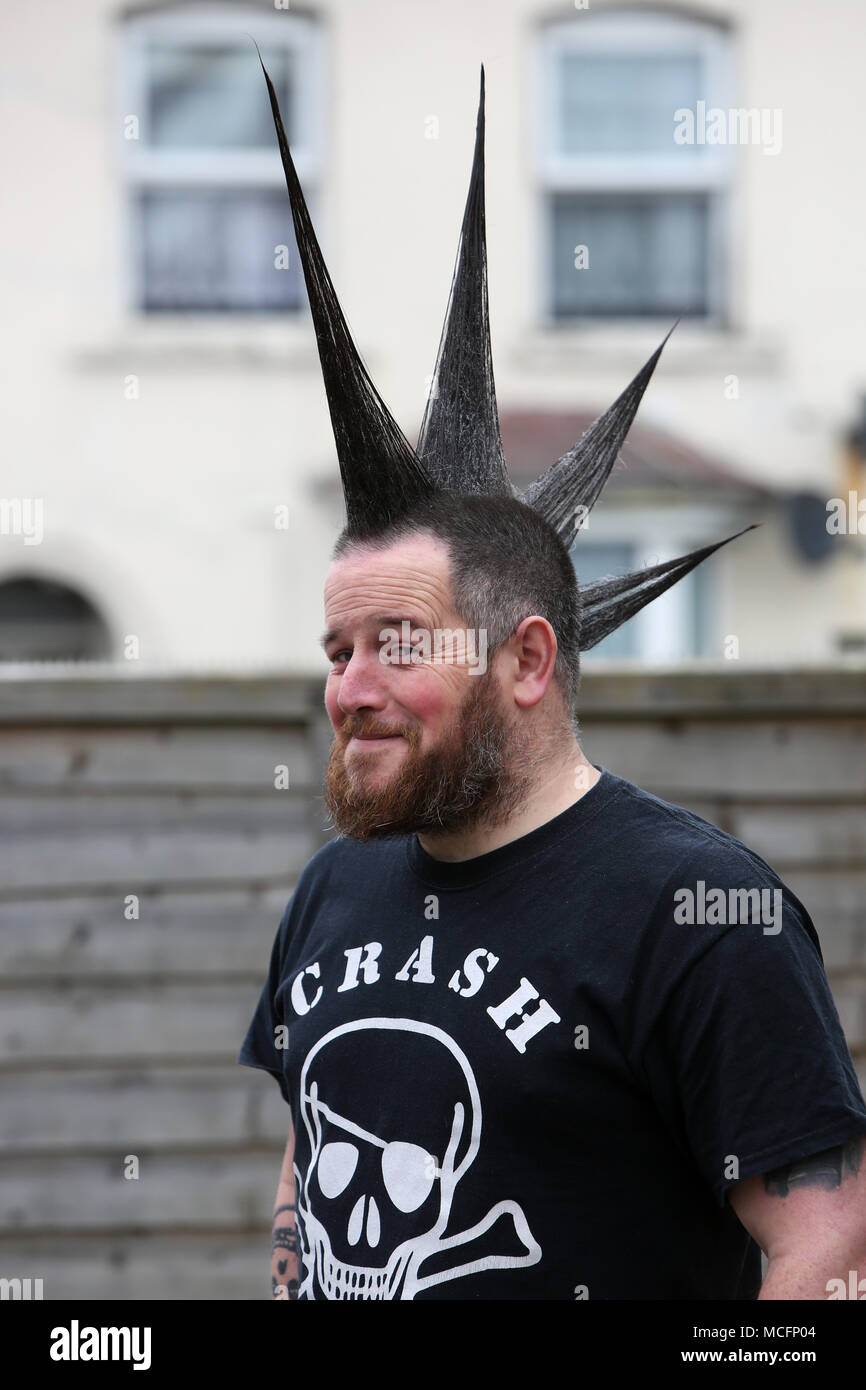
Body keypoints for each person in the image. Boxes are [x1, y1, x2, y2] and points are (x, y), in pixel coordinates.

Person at [238, 64, 866, 1300]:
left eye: (397, 644)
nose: (349, 688)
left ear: (527, 660)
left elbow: (824, 1249)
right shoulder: (332, 889)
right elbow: (307, 1163)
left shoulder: (695, 910)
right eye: (335, 652)